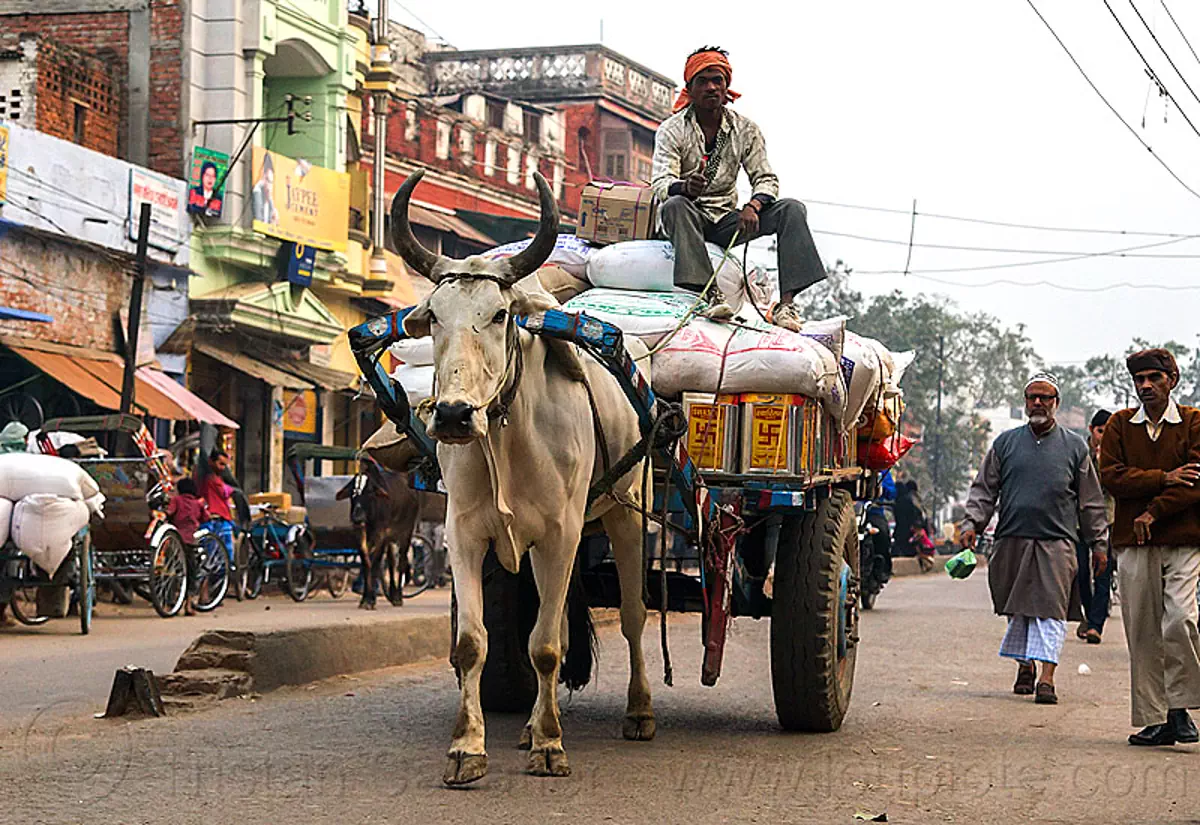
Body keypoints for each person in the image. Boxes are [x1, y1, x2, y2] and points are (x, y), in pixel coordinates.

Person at [960, 372, 1110, 705]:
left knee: (1051, 611)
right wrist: (971, 523)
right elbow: (984, 490)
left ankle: (1047, 678)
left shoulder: (1075, 446)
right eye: (1032, 397)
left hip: (1057, 543)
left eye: (1045, 397)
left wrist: (1099, 544)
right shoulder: (1005, 443)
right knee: (1018, 610)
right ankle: (1024, 666)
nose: (1038, 403)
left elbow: (1090, 502)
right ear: (1025, 402)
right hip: (1011, 539)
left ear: (1056, 403)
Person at [651, 46, 827, 327]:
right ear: (690, 88)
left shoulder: (745, 129)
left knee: (792, 209)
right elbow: (660, 183)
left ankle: (786, 306)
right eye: (703, 81)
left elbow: (766, 178)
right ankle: (710, 295)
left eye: (717, 80)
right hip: (688, 218)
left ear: (726, 86)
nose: (711, 87)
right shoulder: (672, 130)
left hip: (725, 220)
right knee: (674, 205)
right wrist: (684, 187)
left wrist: (753, 206)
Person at [1098, 348, 1200, 747]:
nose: (1145, 386)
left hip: (1183, 539)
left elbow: (1194, 483)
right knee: (1142, 630)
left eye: (1153, 379)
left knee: (1180, 619)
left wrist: (1153, 511)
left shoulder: (1193, 422)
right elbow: (1113, 477)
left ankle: (1182, 706)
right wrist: (1163, 477)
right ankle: (1158, 719)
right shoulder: (1121, 425)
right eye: (1139, 380)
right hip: (1134, 543)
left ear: (1171, 379)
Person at [1076, 409, 1115, 644]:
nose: (1104, 437)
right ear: (1092, 430)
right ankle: (1089, 615)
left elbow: (1117, 486)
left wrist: (1104, 464)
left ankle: (1096, 625)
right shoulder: (1079, 452)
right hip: (1080, 522)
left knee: (1103, 573)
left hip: (1106, 521)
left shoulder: (1115, 455)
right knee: (1080, 572)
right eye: (1101, 431)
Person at [167, 477, 211, 616]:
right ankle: (188, 604)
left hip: (176, 540)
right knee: (192, 571)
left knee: (172, 569)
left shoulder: (176, 500)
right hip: (190, 541)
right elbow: (206, 518)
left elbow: (169, 513)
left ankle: (171, 600)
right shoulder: (197, 504)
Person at [196, 449, 237, 571]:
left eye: (225, 465)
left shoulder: (216, 478)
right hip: (214, 518)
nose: (223, 468)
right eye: (221, 464)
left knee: (218, 553)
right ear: (211, 462)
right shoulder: (210, 479)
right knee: (214, 553)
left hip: (219, 517)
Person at [251, 153, 278, 225]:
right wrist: (257, 189)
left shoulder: (271, 205)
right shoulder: (257, 194)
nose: (269, 186)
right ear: (263, 179)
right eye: (267, 180)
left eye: (271, 182)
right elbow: (258, 219)